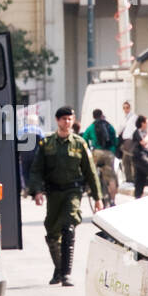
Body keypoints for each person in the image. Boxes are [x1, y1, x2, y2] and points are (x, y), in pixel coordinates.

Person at [28, 105, 105, 285]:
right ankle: (59, 270)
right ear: (58, 120)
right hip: (54, 192)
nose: (67, 122)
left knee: (69, 225)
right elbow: (36, 169)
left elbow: (90, 171)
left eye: (70, 119)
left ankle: (66, 274)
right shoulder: (47, 143)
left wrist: (98, 197)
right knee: (52, 232)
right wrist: (37, 191)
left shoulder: (79, 143)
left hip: (73, 191)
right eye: (64, 119)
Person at [82, 108, 119, 205]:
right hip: (109, 153)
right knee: (111, 177)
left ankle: (92, 190)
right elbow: (115, 140)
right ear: (102, 115)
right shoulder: (109, 126)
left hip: (97, 152)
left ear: (93, 116)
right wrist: (113, 150)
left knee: (92, 172)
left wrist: (89, 150)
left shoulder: (91, 127)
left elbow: (84, 139)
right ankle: (112, 200)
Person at [117, 101, 138, 184]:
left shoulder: (133, 117)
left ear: (130, 108)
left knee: (130, 159)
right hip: (125, 141)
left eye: (127, 107)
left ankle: (133, 178)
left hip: (130, 140)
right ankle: (129, 178)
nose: (126, 109)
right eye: (124, 108)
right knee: (126, 160)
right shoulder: (125, 118)